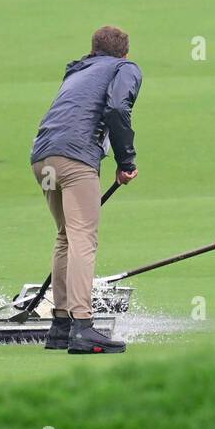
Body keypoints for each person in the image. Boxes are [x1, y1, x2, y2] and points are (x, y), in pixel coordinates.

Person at [29, 26, 141, 354]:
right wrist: (127, 161)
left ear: (93, 49)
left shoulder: (79, 70)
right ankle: (83, 328)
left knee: (65, 236)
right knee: (83, 238)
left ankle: (60, 327)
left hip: (43, 158)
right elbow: (118, 108)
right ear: (125, 53)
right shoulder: (125, 68)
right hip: (75, 159)